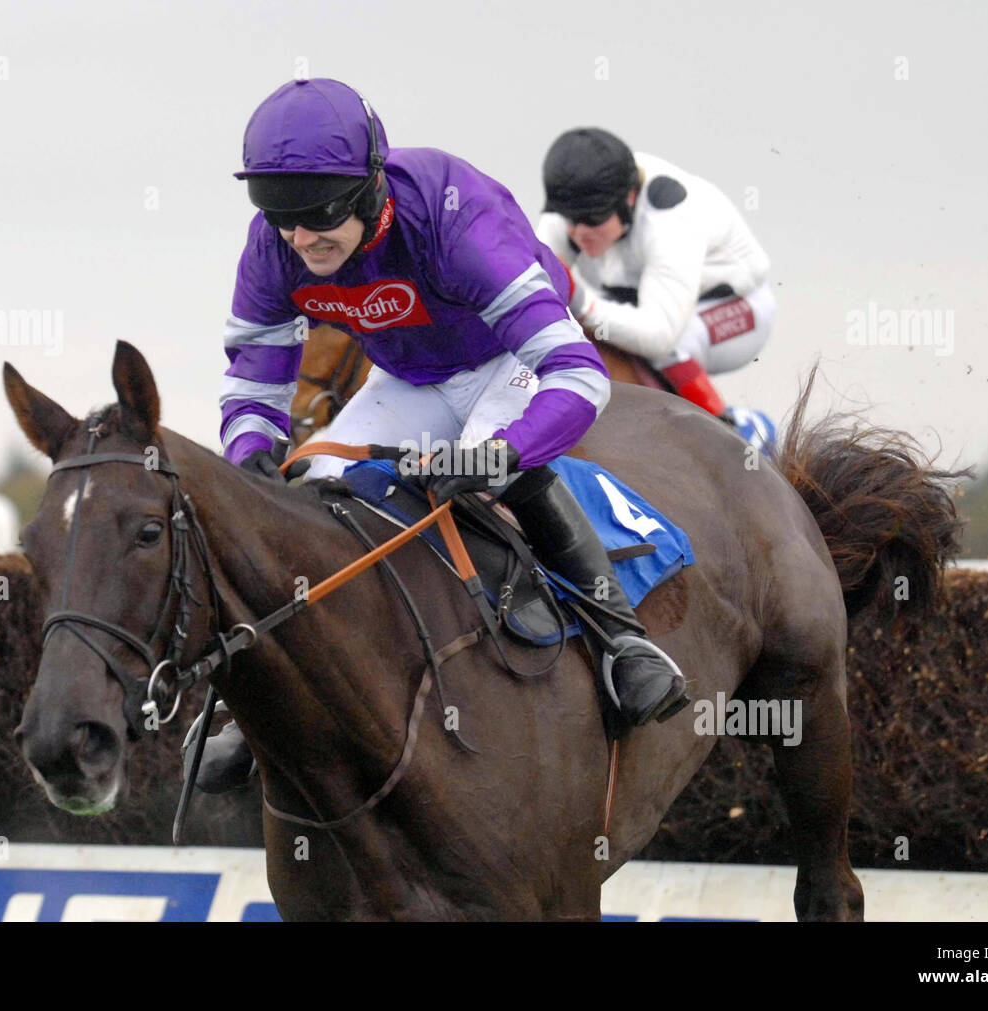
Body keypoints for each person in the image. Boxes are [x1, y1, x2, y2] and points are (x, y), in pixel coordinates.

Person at [198, 79, 688, 791]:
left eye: (317, 217)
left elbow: (579, 374)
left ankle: (624, 644)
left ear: (370, 189)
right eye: (280, 219)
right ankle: (260, 703)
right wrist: (255, 457)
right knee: (308, 497)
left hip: (508, 360)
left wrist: (501, 452)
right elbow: (253, 385)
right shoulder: (275, 244)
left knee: (486, 484)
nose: (300, 240)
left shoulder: (455, 220)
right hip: (407, 376)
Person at [535, 128, 774, 419]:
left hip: (737, 308)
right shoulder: (570, 205)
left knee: (669, 348)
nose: (579, 232)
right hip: (642, 299)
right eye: (571, 220)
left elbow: (658, 336)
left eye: (594, 218)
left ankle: (730, 432)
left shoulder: (670, 220)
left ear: (631, 197)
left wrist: (582, 303)